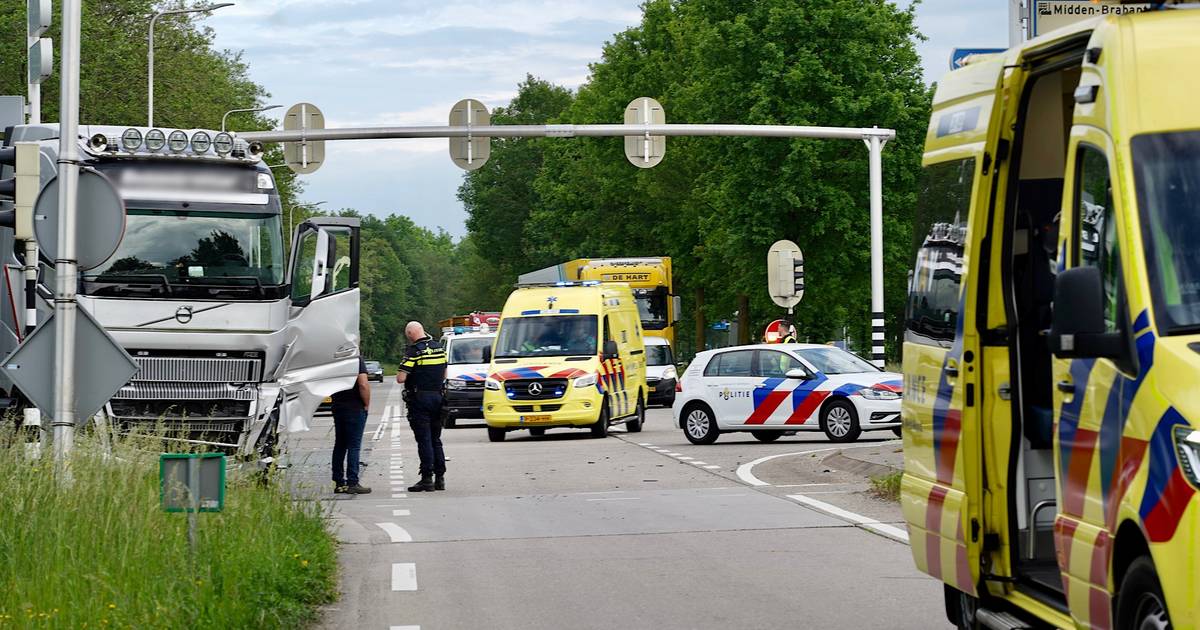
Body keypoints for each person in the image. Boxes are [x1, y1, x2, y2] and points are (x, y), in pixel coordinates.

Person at [396, 321, 448, 492]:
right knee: (436, 439)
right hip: (438, 397)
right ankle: (440, 478)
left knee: (424, 439)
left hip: (421, 399)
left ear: (411, 334)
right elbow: (445, 372)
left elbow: (401, 378)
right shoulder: (439, 347)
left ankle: (427, 478)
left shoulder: (414, 351)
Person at [331, 355, 371, 494]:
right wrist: (366, 404)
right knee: (354, 445)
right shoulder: (356, 360)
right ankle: (352, 482)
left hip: (338, 406)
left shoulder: (333, 360)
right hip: (354, 407)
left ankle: (339, 482)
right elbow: (363, 384)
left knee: (340, 445)